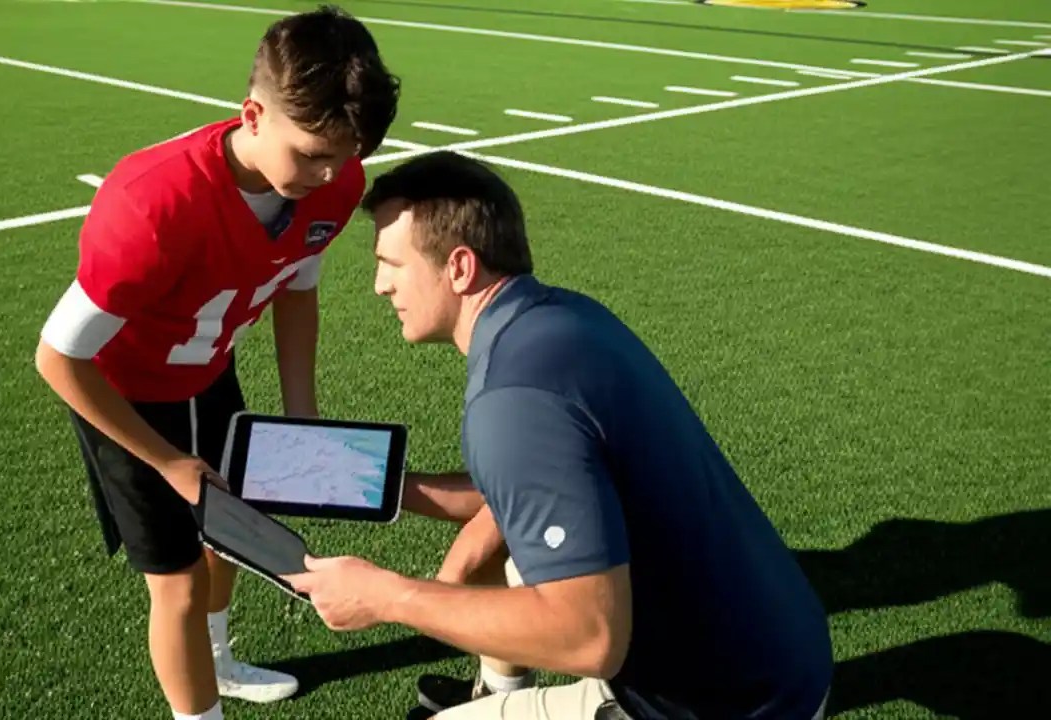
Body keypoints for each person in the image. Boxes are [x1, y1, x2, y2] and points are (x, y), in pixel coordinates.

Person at [285, 151, 834, 720]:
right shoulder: (562, 318)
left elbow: (591, 638)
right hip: (786, 657)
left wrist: (387, 596)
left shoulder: (512, 402)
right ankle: (499, 696)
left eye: (390, 263)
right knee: (512, 552)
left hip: (731, 707)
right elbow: (538, 487)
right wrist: (378, 483)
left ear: (460, 268)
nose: (380, 285)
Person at [33, 7, 400, 719]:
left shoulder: (334, 181)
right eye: (312, 154)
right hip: (124, 397)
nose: (329, 173)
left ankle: (219, 662)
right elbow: (58, 357)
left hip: (209, 371)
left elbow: (297, 289)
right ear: (252, 115)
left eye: (344, 154)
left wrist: (301, 416)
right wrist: (168, 461)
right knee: (175, 583)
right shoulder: (151, 205)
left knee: (230, 536)